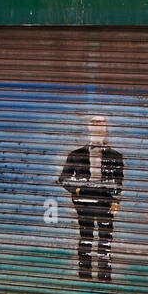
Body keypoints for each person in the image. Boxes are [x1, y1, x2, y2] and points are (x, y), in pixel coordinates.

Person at [57, 115, 125, 282]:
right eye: (94, 123)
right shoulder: (76, 154)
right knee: (86, 237)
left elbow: (118, 182)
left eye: (101, 123)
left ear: (105, 129)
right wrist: (78, 189)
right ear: (89, 127)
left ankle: (104, 276)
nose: (97, 127)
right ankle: (84, 275)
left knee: (105, 239)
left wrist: (116, 202)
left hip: (106, 202)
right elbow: (63, 178)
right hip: (84, 202)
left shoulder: (115, 156)